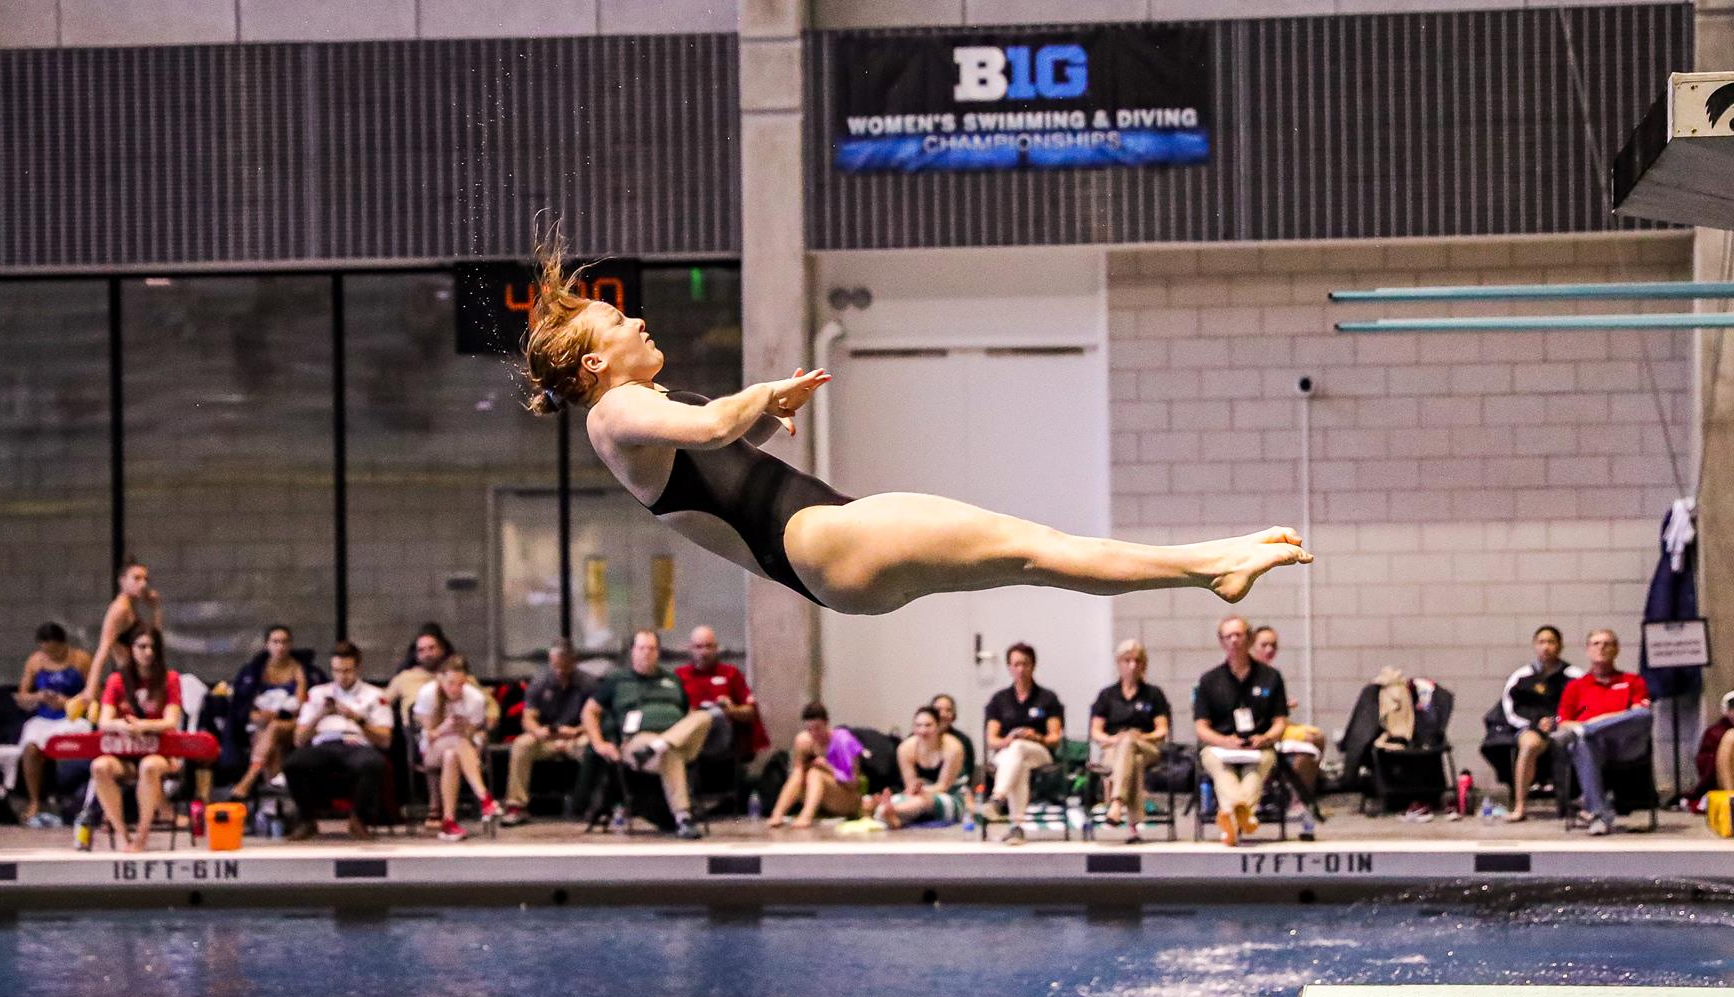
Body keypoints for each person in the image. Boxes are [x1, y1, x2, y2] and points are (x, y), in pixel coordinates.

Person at [519, 242, 1310, 615]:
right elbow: (715, 426)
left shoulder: (640, 415)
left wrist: (763, 416)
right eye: (620, 321)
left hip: (830, 559)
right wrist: (759, 396)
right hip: (828, 540)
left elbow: (718, 458)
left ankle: (1209, 567)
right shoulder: (617, 411)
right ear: (594, 364)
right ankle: (1211, 565)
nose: (639, 320)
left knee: (1034, 558)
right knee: (1036, 547)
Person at [579, 629, 710, 840]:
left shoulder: (672, 680)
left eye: (651, 648)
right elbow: (589, 711)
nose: (646, 653)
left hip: (677, 740)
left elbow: (689, 714)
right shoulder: (617, 680)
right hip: (638, 742)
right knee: (669, 753)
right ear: (633, 651)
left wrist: (673, 736)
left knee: (704, 716)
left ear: (658, 652)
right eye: (641, 648)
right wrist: (599, 744)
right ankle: (683, 818)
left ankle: (661, 744)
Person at [1193, 615, 1289, 847]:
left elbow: (1280, 722)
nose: (1234, 640)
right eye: (1228, 636)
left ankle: (1231, 820)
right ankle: (1243, 814)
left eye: (1239, 635)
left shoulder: (1271, 677)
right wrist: (1224, 742)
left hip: (1258, 746)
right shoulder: (1209, 680)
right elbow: (1201, 728)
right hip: (1220, 747)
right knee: (1221, 771)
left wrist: (1266, 738)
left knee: (1255, 771)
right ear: (1221, 642)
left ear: (1250, 639)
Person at [284, 642, 393, 841]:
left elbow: (385, 740)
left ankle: (358, 820)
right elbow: (299, 739)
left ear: (358, 669)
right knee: (293, 763)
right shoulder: (317, 693)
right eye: (337, 671)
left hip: (357, 743)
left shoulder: (375, 695)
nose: (342, 676)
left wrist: (357, 719)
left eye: (347, 671)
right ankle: (307, 820)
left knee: (373, 763)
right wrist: (320, 716)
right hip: (324, 743)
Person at [88, 624, 182, 853]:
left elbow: (171, 721)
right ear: (131, 649)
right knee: (99, 766)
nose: (148, 652)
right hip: (124, 753)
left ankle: (142, 834)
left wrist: (144, 726)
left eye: (153, 647)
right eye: (142, 646)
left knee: (149, 767)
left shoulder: (170, 679)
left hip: (158, 752)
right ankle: (122, 834)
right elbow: (104, 721)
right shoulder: (116, 680)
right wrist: (121, 725)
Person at [1551, 629, 1652, 837]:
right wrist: (1599, 725)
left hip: (1627, 745)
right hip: (1593, 749)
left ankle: (1585, 729)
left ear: (1616, 649)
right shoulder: (1575, 686)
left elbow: (1639, 715)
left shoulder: (1633, 681)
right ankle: (1599, 816)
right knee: (1582, 742)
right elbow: (1563, 725)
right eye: (1596, 644)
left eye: (1607, 644)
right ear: (1588, 649)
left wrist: (1591, 724)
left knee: (1644, 715)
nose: (1602, 648)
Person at [1493, 625, 1581, 822]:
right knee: (1528, 745)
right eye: (1541, 642)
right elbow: (1510, 710)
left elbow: (1585, 706)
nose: (1546, 647)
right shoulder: (1521, 676)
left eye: (1551, 642)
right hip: (1533, 729)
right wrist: (1535, 724)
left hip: (1566, 727)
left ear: (1560, 646)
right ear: (1535, 645)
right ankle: (1520, 806)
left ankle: (1581, 803)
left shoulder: (1575, 675)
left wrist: (1559, 722)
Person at [980, 643, 1065, 845]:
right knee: (1019, 762)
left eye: (1025, 664)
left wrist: (1035, 737)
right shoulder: (999, 700)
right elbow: (991, 740)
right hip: (1007, 752)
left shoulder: (1047, 698)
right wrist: (1008, 739)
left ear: (1033, 666)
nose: (1020, 669)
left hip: (1039, 751)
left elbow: (1054, 738)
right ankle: (1016, 828)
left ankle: (997, 798)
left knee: (1019, 748)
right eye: (1016, 664)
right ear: (1009, 667)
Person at [412, 653, 503, 842]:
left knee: (451, 755)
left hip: (463, 752)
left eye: (461, 684)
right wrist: (445, 727)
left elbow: (474, 736)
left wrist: (465, 728)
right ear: (440, 678)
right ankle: (484, 798)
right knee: (455, 740)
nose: (456, 689)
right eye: (451, 683)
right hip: (431, 749)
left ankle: (448, 822)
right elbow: (428, 735)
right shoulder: (428, 694)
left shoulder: (475, 698)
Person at [1088, 639, 1171, 843]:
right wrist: (1115, 739)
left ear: (1144, 665)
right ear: (1119, 663)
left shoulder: (1154, 694)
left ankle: (1116, 803)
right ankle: (1133, 829)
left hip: (1146, 746)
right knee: (1133, 760)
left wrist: (1140, 737)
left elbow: (1162, 730)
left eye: (1137, 661)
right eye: (1127, 660)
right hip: (1114, 749)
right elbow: (1096, 732)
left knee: (1130, 745)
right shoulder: (1107, 695)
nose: (1132, 666)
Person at [502, 641, 591, 826]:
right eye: (555, 665)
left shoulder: (587, 683)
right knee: (521, 745)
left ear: (573, 662)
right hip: (546, 737)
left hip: (576, 735)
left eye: (564, 666)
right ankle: (516, 805)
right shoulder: (540, 682)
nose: (559, 671)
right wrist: (538, 730)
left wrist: (576, 730)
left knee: (589, 747)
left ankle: (590, 804)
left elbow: (596, 718)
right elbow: (528, 717)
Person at [14, 622, 91, 827]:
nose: (52, 655)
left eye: (56, 651)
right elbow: (22, 697)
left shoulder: (80, 659)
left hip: (73, 718)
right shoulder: (35, 662)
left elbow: (94, 694)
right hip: (45, 718)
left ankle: (81, 799)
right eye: (47, 651)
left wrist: (68, 702)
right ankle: (34, 800)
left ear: (63, 644)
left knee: (76, 746)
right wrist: (39, 697)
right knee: (30, 747)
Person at [228, 624, 310, 801]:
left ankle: (250, 778)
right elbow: (245, 706)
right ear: (267, 644)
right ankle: (274, 795)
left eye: (284, 642)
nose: (280, 646)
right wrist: (256, 716)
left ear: (291, 644)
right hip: (262, 725)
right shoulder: (256, 670)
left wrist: (278, 714)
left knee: (274, 727)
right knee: (269, 741)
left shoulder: (298, 669)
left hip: (292, 724)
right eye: (275, 642)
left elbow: (301, 706)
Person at [73, 558, 161, 714]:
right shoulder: (120, 609)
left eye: (145, 579)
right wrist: (90, 690)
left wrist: (155, 608)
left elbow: (156, 640)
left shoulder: (131, 606)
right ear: (122, 581)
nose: (143, 584)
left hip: (142, 676)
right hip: (128, 681)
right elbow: (103, 649)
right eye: (136, 578)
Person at [1249, 624, 1324, 805]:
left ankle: (1300, 794)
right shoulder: (1249, 673)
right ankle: (1295, 794)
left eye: (1273, 646)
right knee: (1312, 738)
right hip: (1262, 728)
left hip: (1279, 723)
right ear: (1252, 646)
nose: (1270, 650)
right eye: (1264, 645)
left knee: (1318, 737)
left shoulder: (1272, 675)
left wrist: (1282, 705)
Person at [766, 702, 866, 829]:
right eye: (809, 730)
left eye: (818, 728)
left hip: (848, 798)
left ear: (826, 723)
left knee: (815, 774)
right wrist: (778, 812)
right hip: (820, 797)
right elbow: (796, 776)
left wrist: (827, 767)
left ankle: (806, 816)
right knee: (800, 775)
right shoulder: (804, 741)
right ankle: (777, 814)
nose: (814, 734)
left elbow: (853, 784)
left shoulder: (842, 740)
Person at [674, 625, 769, 759]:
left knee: (717, 714)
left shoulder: (731, 673)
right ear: (691, 648)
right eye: (699, 647)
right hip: (691, 738)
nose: (704, 652)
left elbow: (752, 712)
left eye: (709, 646)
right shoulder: (679, 675)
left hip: (725, 743)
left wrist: (732, 710)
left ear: (716, 648)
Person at [871, 706, 966, 829]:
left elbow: (943, 786)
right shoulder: (905, 748)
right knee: (886, 806)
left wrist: (923, 791)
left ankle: (894, 811)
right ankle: (893, 817)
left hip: (950, 796)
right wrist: (915, 789)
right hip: (917, 795)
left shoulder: (953, 747)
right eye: (918, 725)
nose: (923, 730)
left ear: (938, 727)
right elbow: (910, 786)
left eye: (928, 725)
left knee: (923, 801)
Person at [930, 693, 975, 780]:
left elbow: (966, 774)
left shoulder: (963, 741)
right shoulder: (915, 739)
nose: (943, 714)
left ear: (953, 715)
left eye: (948, 710)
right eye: (938, 710)